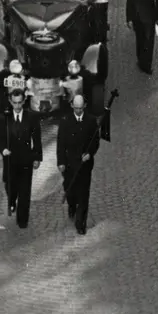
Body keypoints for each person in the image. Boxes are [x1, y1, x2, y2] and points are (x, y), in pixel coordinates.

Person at [0, 87, 42, 229]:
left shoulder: (32, 118)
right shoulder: (5, 118)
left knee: (25, 191)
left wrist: (37, 158)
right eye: (14, 103)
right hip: (10, 160)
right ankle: (12, 200)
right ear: (10, 101)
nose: (17, 106)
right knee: (11, 186)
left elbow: (37, 139)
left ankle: (22, 220)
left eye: (20, 103)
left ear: (24, 101)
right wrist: (3, 150)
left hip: (26, 160)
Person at [56, 93, 100, 235]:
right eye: (76, 108)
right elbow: (60, 144)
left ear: (84, 107)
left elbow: (95, 142)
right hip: (69, 164)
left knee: (84, 194)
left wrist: (90, 153)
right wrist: (61, 162)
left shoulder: (91, 121)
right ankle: (71, 205)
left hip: (84, 165)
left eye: (81, 108)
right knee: (71, 191)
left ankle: (81, 223)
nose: (79, 111)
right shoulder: (65, 121)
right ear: (72, 107)